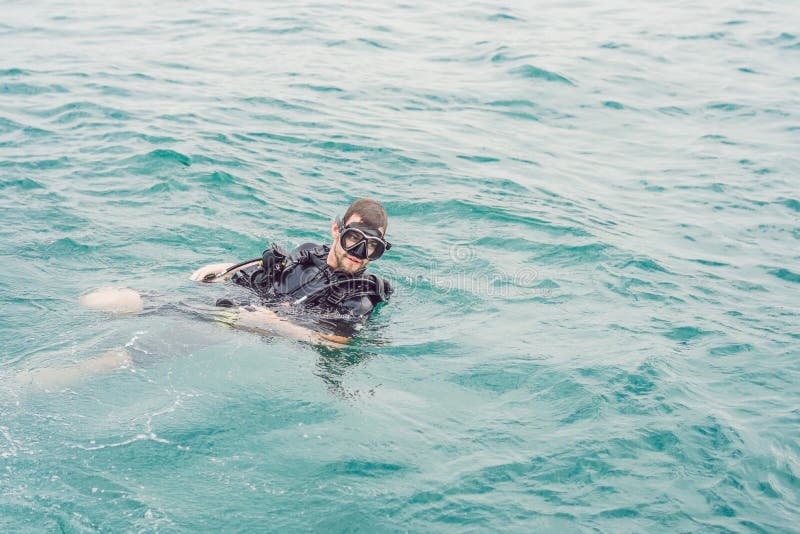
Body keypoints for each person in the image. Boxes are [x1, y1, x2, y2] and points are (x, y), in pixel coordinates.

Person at [189, 197, 393, 346]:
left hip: (248, 333)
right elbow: (274, 273)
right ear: (336, 230)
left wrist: (272, 323)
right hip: (231, 308)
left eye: (372, 245)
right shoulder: (308, 251)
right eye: (354, 238)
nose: (360, 252)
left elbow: (336, 342)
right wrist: (227, 268)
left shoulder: (360, 298)